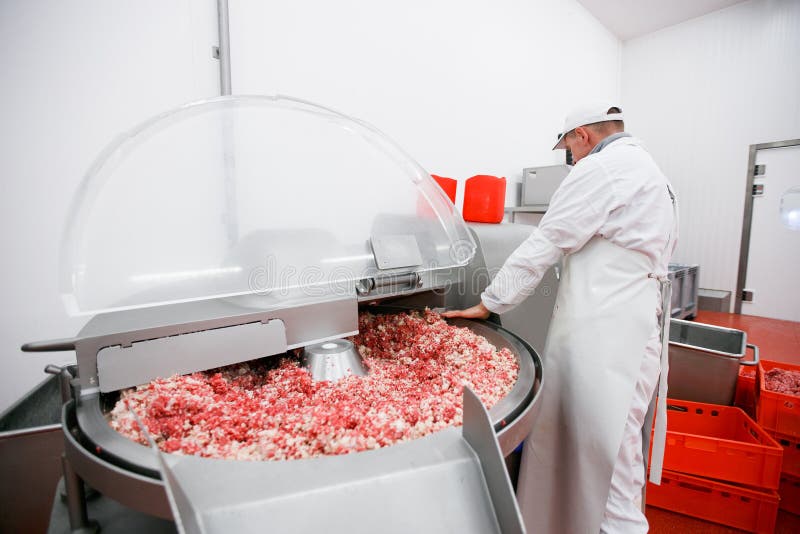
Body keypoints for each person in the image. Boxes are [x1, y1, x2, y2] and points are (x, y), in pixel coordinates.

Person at [443, 102, 677, 533]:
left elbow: (545, 242)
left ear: (583, 135)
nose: (570, 156)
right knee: (619, 450)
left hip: (606, 330)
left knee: (600, 456)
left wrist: (491, 302)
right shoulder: (649, 170)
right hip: (636, 324)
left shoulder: (601, 170)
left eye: (568, 145)